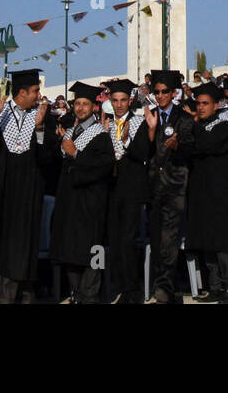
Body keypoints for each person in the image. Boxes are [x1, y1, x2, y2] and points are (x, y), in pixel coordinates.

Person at [0, 69, 53, 303]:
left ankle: (21, 291)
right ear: (22, 92)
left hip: (28, 190)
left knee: (23, 242)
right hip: (1, 188)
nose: (39, 95)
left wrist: (39, 128)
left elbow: (47, 156)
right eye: (35, 91)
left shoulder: (41, 115)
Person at [50, 82, 114, 303]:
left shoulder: (101, 135)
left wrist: (76, 154)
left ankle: (91, 294)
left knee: (94, 250)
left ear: (94, 108)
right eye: (77, 103)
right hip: (69, 202)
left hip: (91, 202)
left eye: (85, 104)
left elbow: (105, 165)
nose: (80, 108)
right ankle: (77, 292)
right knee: (70, 249)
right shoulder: (69, 132)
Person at [186, 82, 228, 303]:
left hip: (220, 193)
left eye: (205, 104)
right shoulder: (197, 128)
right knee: (206, 239)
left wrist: (195, 125)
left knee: (221, 241)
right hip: (201, 192)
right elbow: (189, 149)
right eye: (198, 104)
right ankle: (214, 287)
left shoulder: (224, 126)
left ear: (215, 106)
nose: (200, 108)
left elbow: (207, 145)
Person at [146, 70, 194, 304]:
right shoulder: (150, 116)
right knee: (156, 237)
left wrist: (176, 147)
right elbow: (144, 152)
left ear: (173, 93)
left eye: (165, 91)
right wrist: (151, 132)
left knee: (169, 237)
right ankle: (166, 285)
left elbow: (189, 151)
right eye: (156, 92)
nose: (160, 95)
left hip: (175, 186)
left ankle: (165, 286)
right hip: (155, 186)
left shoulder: (184, 119)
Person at [101, 78, 149, 304]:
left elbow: (143, 153)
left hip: (131, 188)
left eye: (123, 100)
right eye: (115, 101)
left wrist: (128, 139)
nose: (119, 105)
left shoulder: (139, 122)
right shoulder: (106, 125)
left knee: (129, 239)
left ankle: (132, 289)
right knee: (115, 239)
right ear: (110, 102)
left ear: (129, 101)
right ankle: (118, 286)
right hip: (111, 188)